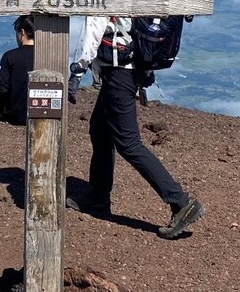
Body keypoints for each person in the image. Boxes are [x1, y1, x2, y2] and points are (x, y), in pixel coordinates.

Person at [67, 15, 203, 241]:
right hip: (130, 66)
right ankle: (99, 195)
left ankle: (181, 203)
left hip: (119, 70)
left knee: (128, 143)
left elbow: (95, 27)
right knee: (100, 130)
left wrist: (78, 70)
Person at [0, 15, 34, 125]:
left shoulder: (10, 56)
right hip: (41, 114)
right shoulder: (45, 55)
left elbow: (2, 90)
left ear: (22, 32)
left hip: (15, 115)